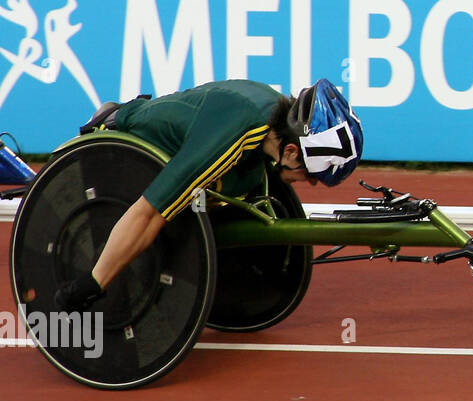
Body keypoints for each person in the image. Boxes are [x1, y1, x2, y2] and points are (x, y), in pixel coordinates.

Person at [53, 78, 364, 311]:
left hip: (185, 133)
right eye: (310, 176)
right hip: (124, 149)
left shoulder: (272, 114)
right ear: (292, 150)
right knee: (187, 198)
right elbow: (148, 213)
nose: (308, 184)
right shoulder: (235, 134)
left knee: (248, 180)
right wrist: (91, 285)